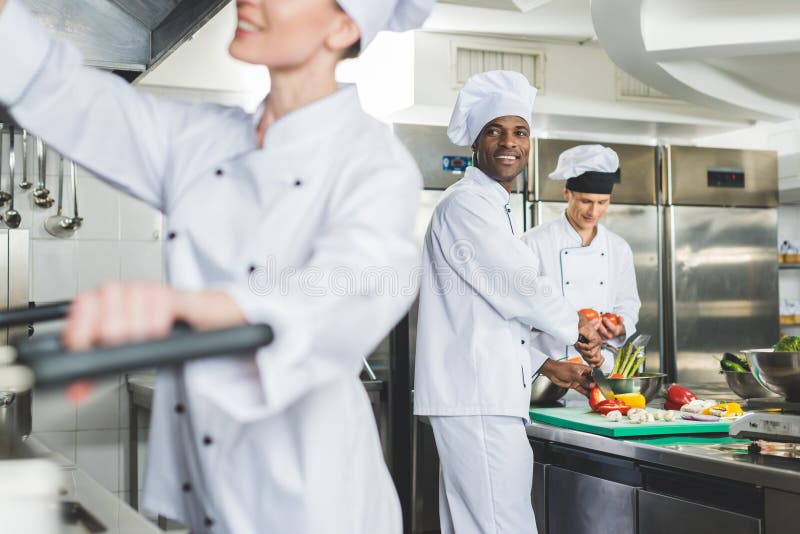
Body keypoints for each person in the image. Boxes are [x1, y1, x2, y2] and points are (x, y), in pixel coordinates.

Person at [0, 0, 435, 532]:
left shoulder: (374, 162)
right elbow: (63, 93)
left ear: (344, 25)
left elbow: (356, 284)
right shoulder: (203, 139)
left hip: (315, 504)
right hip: (211, 492)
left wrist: (184, 309)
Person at [413, 71, 602, 534]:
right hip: (478, 395)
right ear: (475, 142)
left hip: (484, 392)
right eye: (494, 130)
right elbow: (518, 285)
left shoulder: (490, 205)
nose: (509, 142)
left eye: (520, 131)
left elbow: (488, 310)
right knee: (501, 523)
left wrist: (546, 364)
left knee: (481, 523)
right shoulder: (466, 205)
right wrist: (576, 328)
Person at [521, 145, 641, 374]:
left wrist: (619, 326)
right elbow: (522, 309)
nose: (593, 211)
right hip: (551, 371)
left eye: (602, 202)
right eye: (586, 201)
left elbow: (628, 303)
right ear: (567, 194)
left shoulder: (618, 247)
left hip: (601, 367)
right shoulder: (534, 243)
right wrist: (570, 324)